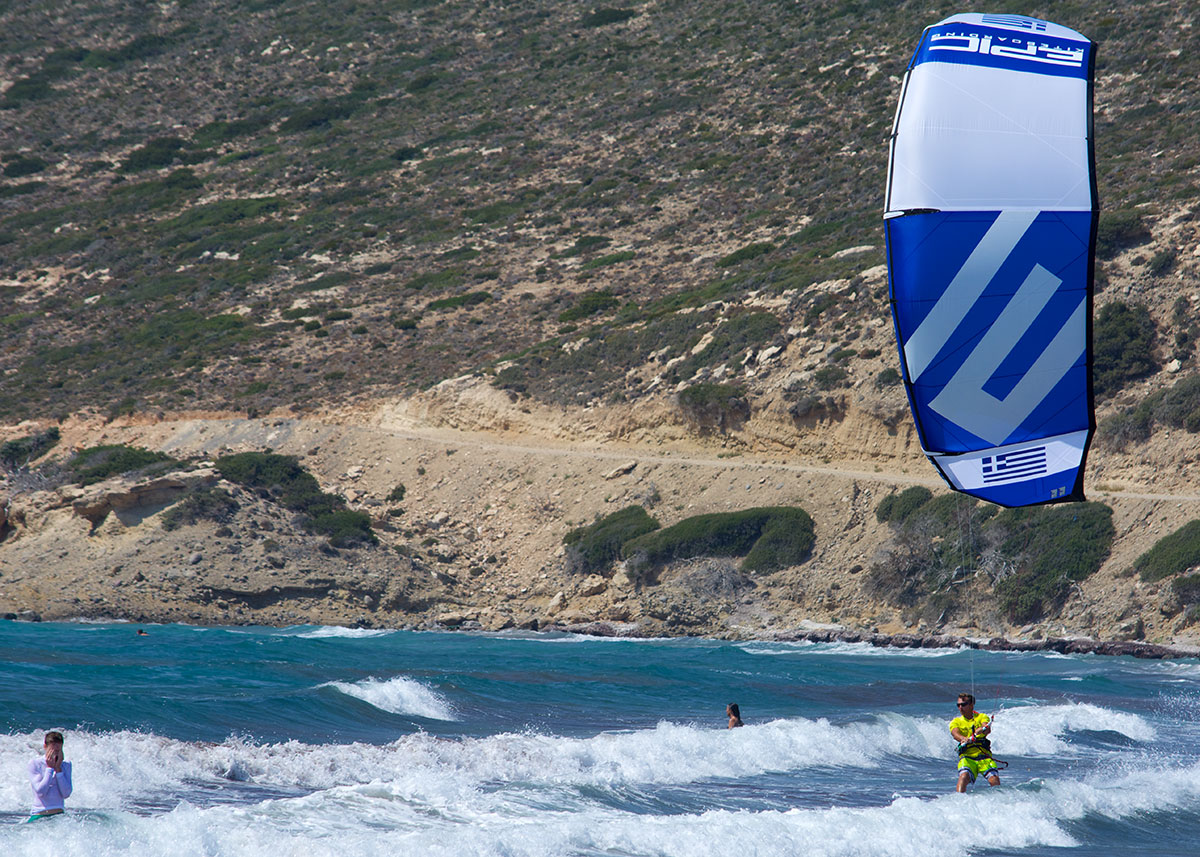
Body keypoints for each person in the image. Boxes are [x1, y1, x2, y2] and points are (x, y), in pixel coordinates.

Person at [949, 693, 999, 793]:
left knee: (994, 779)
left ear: (971, 704)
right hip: (967, 758)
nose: (960, 707)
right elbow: (955, 733)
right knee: (963, 777)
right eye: (958, 705)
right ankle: (959, 801)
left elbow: (987, 728)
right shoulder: (956, 721)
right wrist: (963, 738)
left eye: (963, 705)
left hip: (984, 757)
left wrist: (981, 729)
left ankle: (1000, 802)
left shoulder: (981, 717)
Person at [28, 731, 72, 820]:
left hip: (59, 814)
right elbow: (40, 792)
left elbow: (66, 793)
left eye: (58, 750)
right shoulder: (35, 763)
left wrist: (58, 770)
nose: (55, 754)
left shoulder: (66, 765)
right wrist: (50, 769)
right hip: (39, 813)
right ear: (45, 747)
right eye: (52, 751)